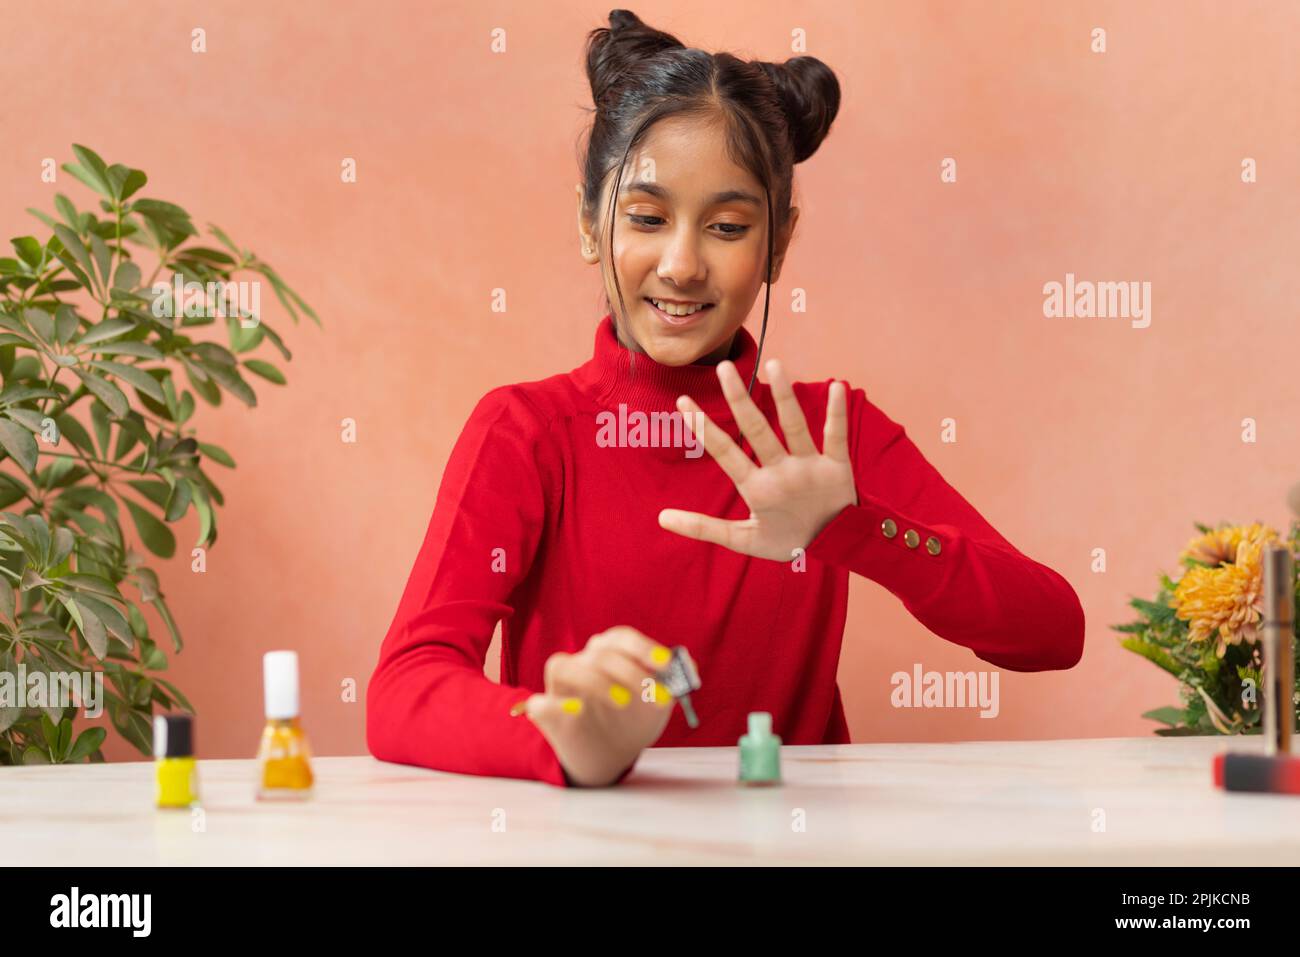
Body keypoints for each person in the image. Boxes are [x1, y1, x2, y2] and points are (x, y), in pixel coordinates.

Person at [367, 9, 1085, 787]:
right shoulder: (527, 432)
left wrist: (855, 528)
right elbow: (403, 688)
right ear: (588, 225)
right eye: (646, 217)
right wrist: (565, 741)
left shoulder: (829, 436)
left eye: (728, 226)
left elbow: (1052, 630)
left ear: (777, 243)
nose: (681, 264)